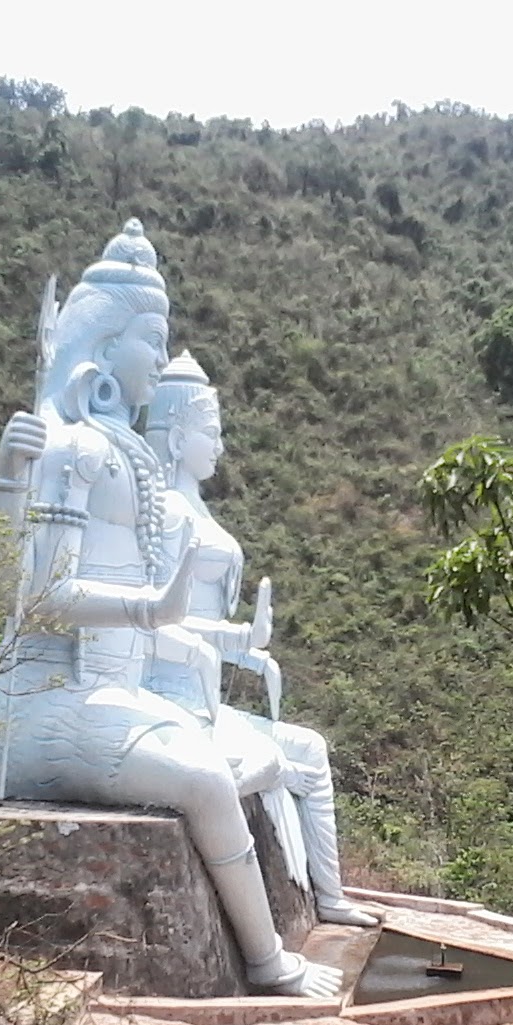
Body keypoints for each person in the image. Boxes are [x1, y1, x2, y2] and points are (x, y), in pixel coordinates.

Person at [0, 220, 341, 997]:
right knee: (207, 780)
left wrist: (182, 631)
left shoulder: (112, 449)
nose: (154, 360)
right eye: (151, 341)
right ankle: (268, 962)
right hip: (42, 708)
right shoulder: (68, 445)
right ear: (105, 349)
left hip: (109, 693)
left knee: (250, 754)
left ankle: (290, 926)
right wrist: (151, 604)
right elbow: (31, 596)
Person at [143, 351, 378, 928]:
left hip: (202, 692)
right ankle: (314, 898)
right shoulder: (168, 514)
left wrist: (245, 641)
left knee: (311, 749)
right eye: (210, 433)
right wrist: (230, 634)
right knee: (294, 754)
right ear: (176, 437)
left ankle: (328, 895)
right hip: (166, 694)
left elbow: (197, 627)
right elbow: (151, 620)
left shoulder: (192, 509)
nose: (219, 447)